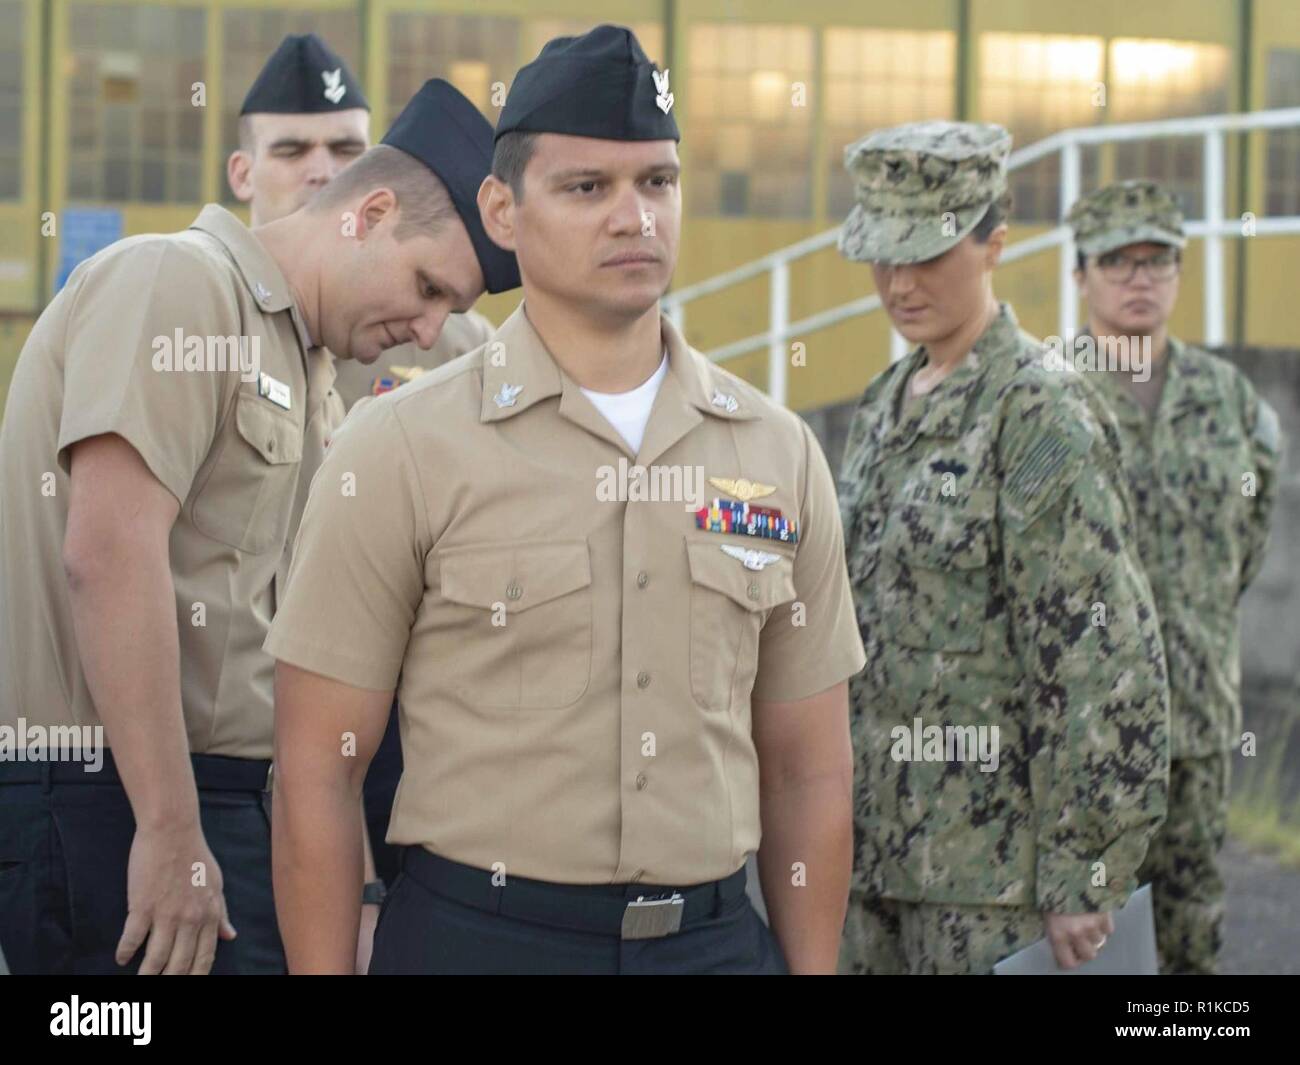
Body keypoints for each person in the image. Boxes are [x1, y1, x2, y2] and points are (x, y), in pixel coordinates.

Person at [265, 24, 865, 975]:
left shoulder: (776, 452)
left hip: (710, 945)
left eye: (657, 182)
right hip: (481, 941)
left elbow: (809, 769)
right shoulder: (402, 449)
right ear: (501, 211)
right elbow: (317, 770)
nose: (635, 217)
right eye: (588, 188)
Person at [0, 76, 509, 974]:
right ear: (370, 211)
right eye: (429, 287)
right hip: (114, 800)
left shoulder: (300, 361)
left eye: (450, 312)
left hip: (227, 807)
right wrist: (166, 829)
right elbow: (109, 554)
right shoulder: (177, 282)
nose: (429, 332)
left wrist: (348, 886)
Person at [835, 121, 1171, 975]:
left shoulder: (1037, 413)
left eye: (928, 253)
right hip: (874, 864)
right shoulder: (884, 404)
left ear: (994, 242)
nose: (900, 282)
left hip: (992, 886)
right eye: (884, 256)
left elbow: (1102, 653)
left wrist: (1085, 870)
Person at [228, 35, 494, 899]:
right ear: (243, 173)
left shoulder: (452, 338)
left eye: (343, 148)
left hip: (399, 722)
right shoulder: (207, 315)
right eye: (292, 149)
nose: (317, 170)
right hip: (244, 732)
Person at [1066, 179, 1283, 974]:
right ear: (1080, 274)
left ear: (1180, 274)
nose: (1140, 277)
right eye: (1118, 260)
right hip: (1077, 738)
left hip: (1195, 727)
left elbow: (1243, 551)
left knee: (1192, 935)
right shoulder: (1043, 393)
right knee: (1076, 940)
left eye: (1158, 260)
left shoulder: (1227, 400)